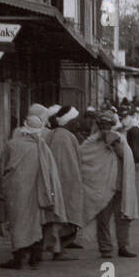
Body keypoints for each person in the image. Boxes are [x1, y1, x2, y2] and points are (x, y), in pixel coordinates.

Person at [0, 105, 64, 269]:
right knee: (36, 224)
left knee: (18, 224)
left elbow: (2, 169)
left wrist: (0, 189)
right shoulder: (42, 147)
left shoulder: (11, 145)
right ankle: (35, 257)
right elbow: (51, 173)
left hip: (16, 194)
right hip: (37, 193)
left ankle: (18, 259)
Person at [79, 109, 138, 258]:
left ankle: (123, 246)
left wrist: (114, 143)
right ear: (99, 124)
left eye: (108, 124)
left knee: (123, 218)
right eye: (103, 124)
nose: (105, 127)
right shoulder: (91, 142)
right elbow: (83, 159)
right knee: (103, 219)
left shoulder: (120, 139)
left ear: (112, 125)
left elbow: (127, 158)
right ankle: (105, 248)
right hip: (101, 187)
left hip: (120, 186)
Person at [43, 104, 85, 259]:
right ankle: (58, 250)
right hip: (64, 184)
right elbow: (67, 165)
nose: (78, 123)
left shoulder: (57, 134)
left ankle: (59, 247)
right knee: (62, 216)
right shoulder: (65, 137)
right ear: (69, 121)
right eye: (76, 120)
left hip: (59, 183)